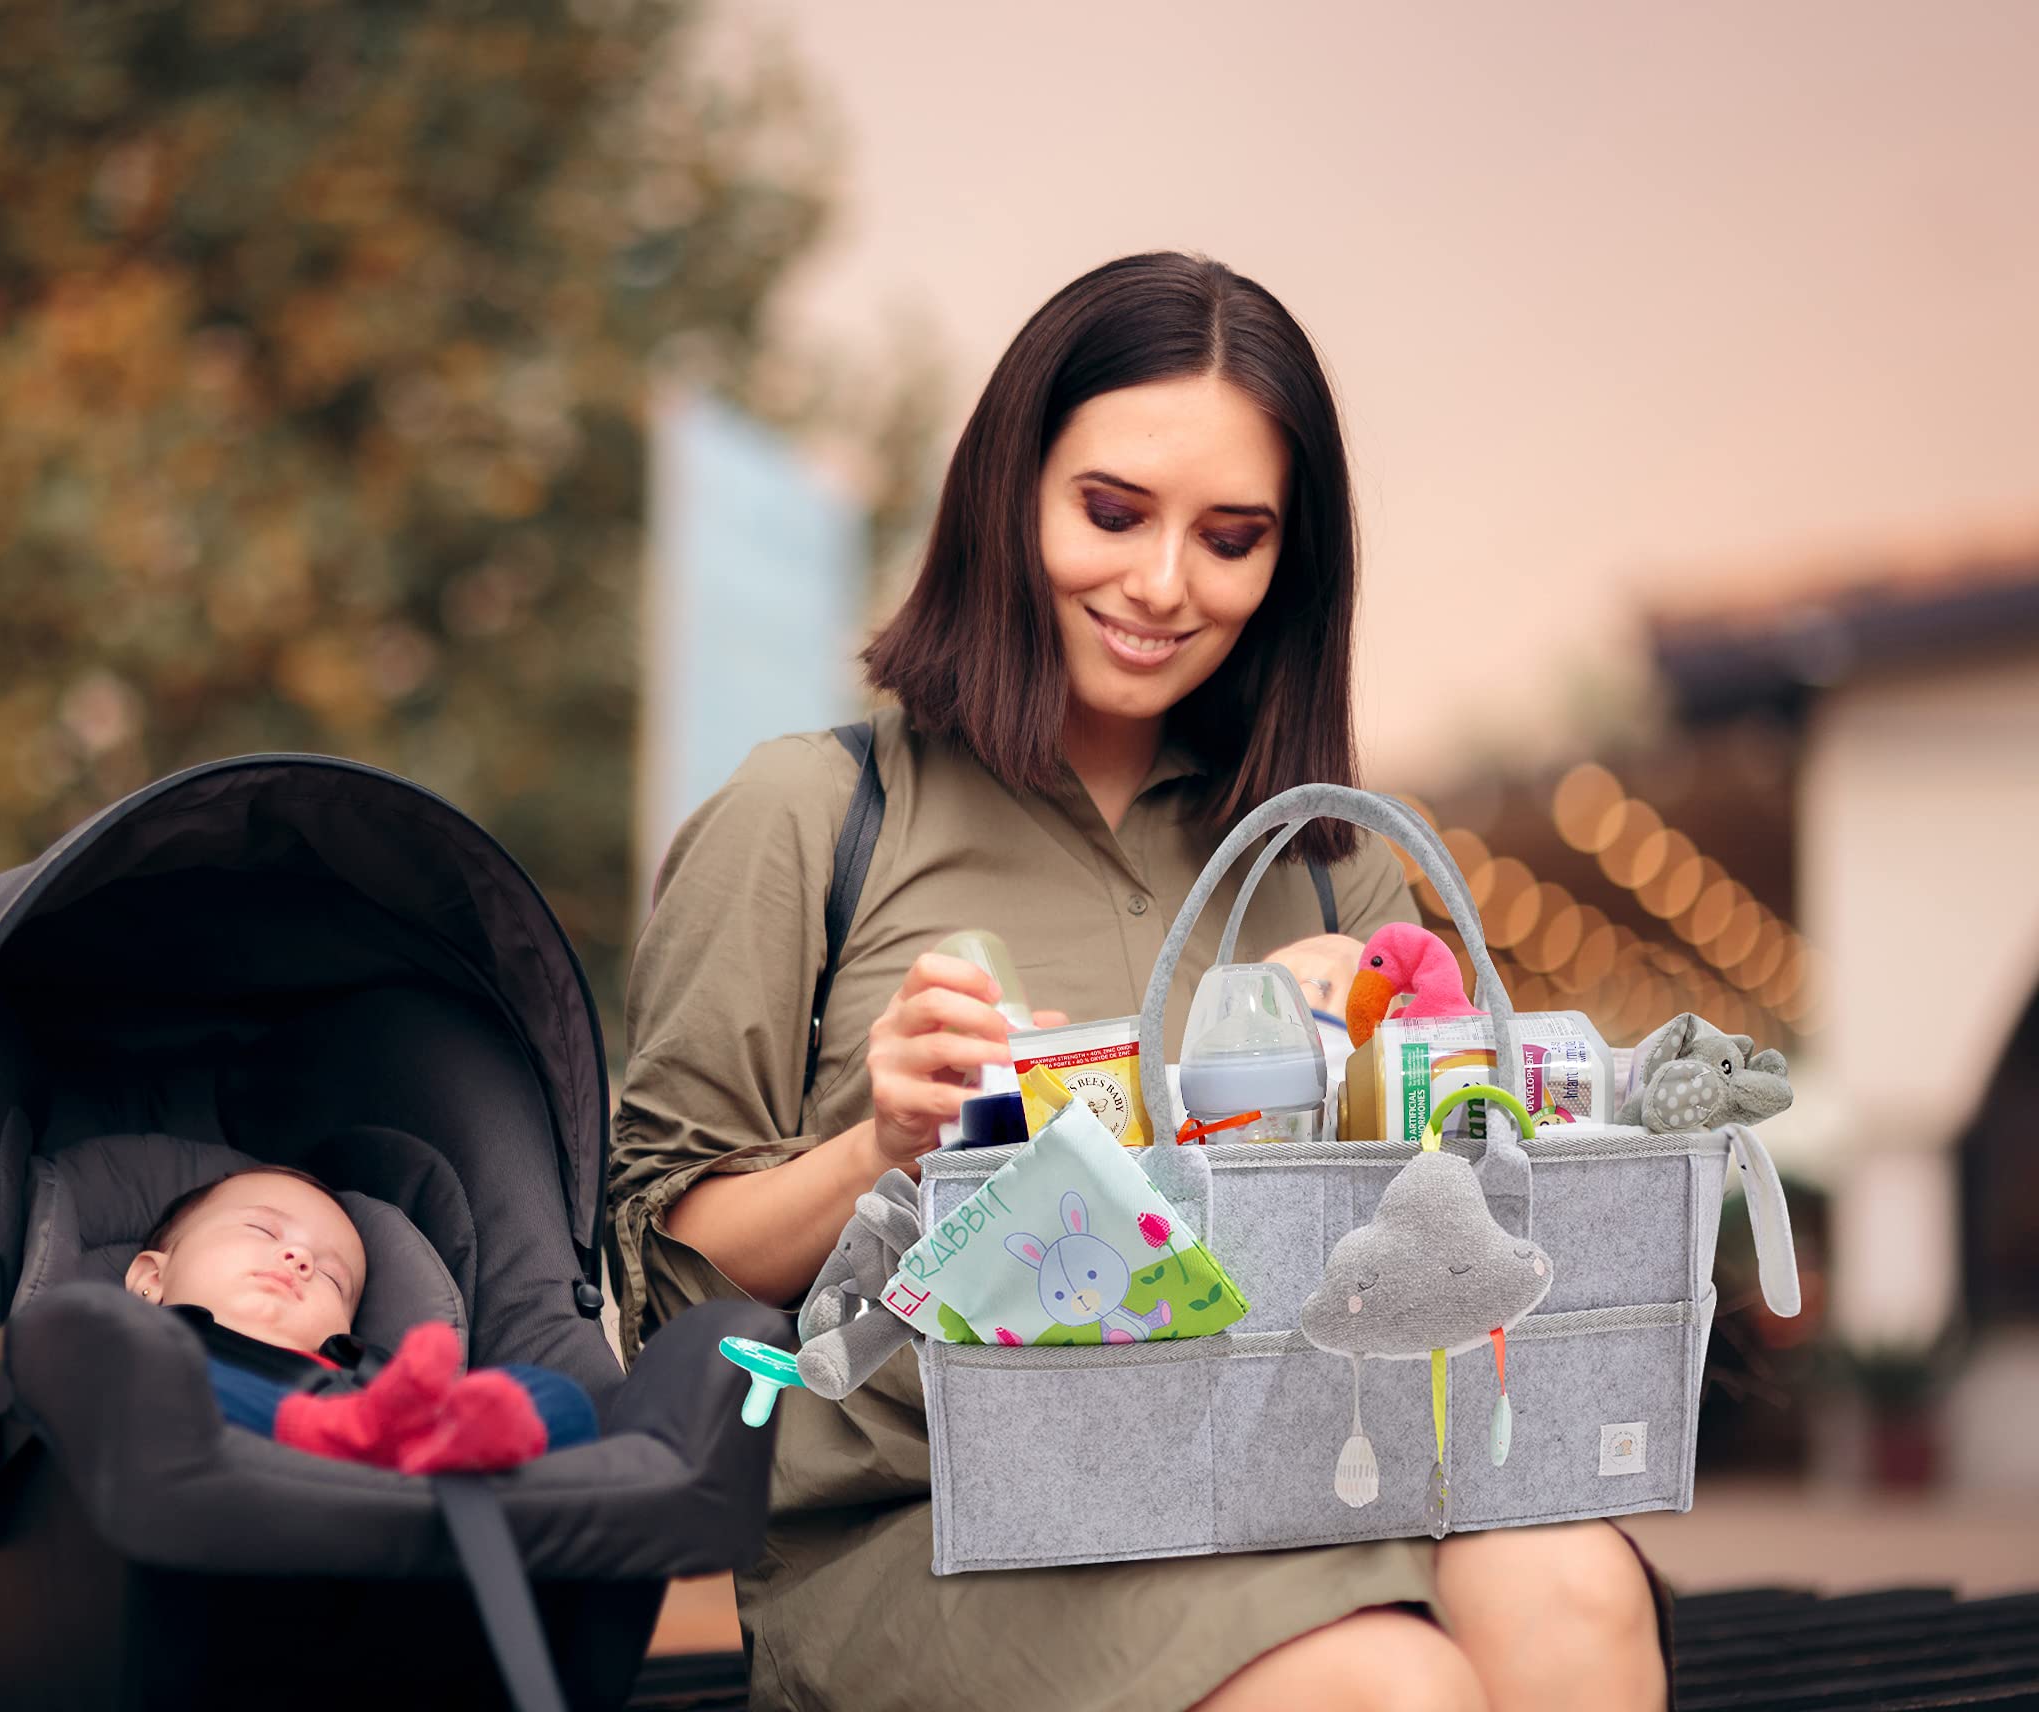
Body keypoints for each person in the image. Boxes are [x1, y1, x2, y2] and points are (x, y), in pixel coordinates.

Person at [609, 253, 1667, 1712]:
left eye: (1232, 539)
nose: (1163, 584)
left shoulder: (1316, 866)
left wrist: (1360, 1068)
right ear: (1008, 494)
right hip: (937, 1532)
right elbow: (666, 1271)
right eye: (1110, 513)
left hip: (1292, 1483)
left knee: (1580, 1586)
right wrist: (882, 1141)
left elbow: (1432, 1245)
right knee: (1385, 1690)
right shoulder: (813, 816)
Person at [125, 1165, 594, 1473]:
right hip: (214, 1464)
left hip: (387, 1471)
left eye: (333, 1278)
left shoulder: (373, 1374)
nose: (300, 1257)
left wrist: (449, 1415)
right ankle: (334, 1434)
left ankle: (454, 1445)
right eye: (262, 1228)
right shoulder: (141, 1340)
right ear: (151, 1277)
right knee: (113, 1353)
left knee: (558, 1394)